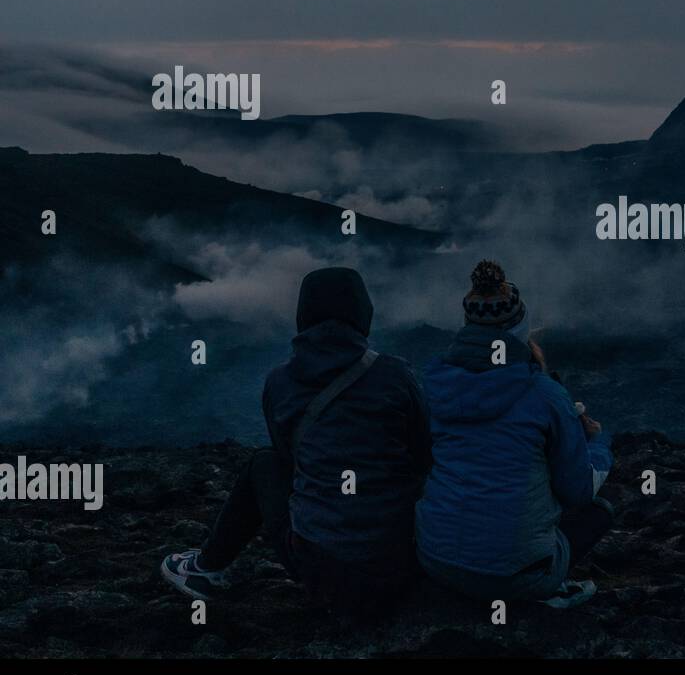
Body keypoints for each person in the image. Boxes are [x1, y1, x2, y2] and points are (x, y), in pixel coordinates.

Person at [161, 267, 432, 621]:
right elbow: (425, 454)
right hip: (400, 562)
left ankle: (205, 567)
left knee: (264, 464)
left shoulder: (280, 383)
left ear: (303, 315)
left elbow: (289, 458)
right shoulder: (397, 375)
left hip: (319, 565)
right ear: (363, 314)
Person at [416, 260, 614, 607]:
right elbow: (578, 490)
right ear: (520, 330)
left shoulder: (433, 386)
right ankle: (543, 589)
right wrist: (596, 443)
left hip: (435, 562)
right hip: (514, 578)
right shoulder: (545, 395)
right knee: (598, 512)